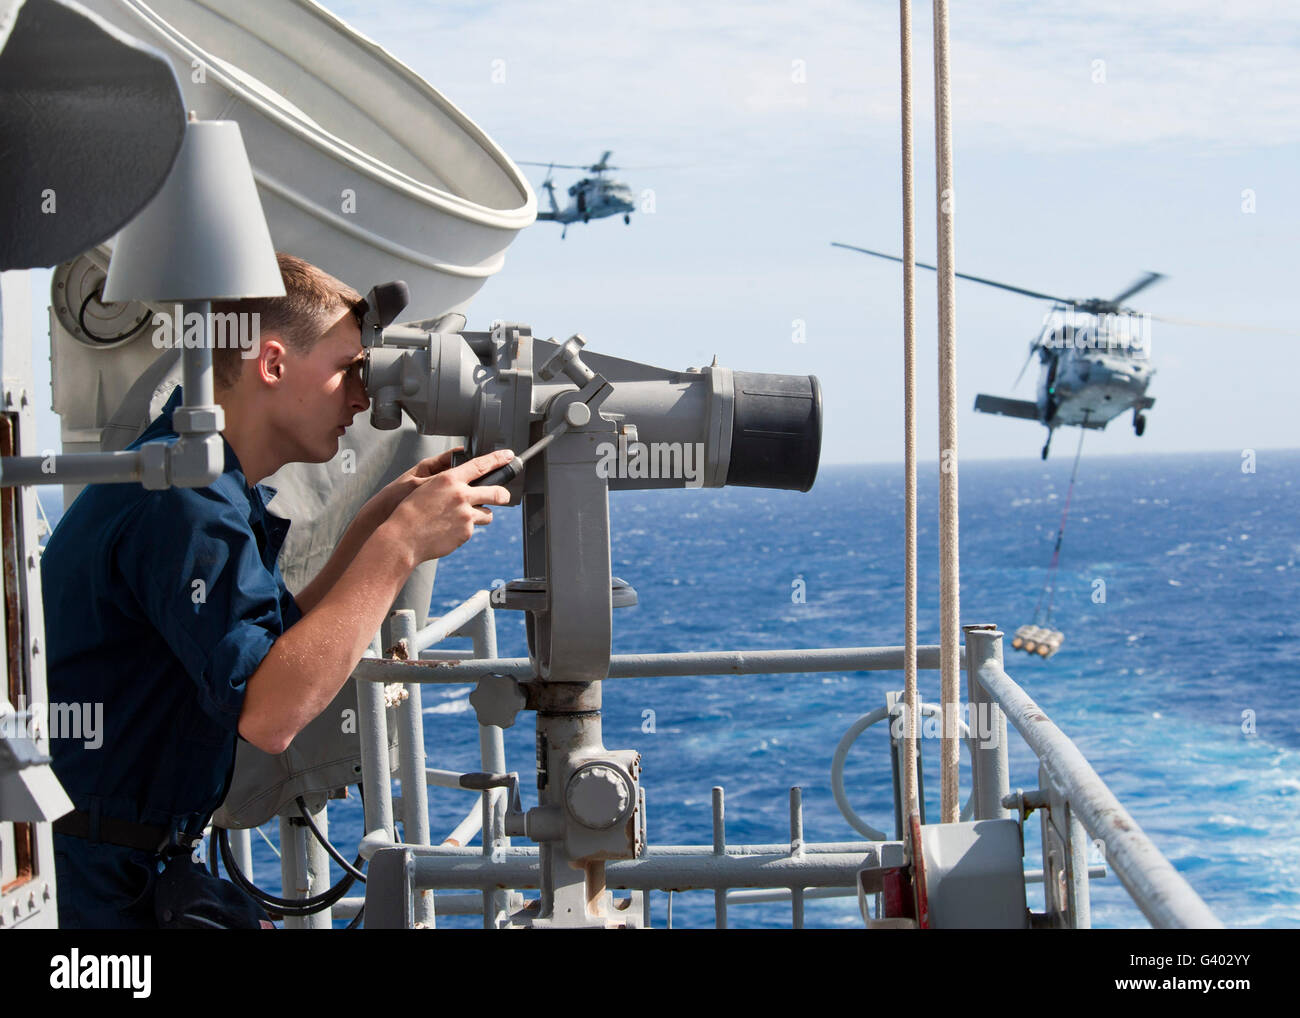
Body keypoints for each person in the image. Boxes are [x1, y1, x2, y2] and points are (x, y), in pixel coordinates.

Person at [41, 253, 512, 928]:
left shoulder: (193, 475)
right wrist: (400, 544)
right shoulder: (183, 500)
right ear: (271, 364)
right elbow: (271, 713)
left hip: (131, 861)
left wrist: (376, 523)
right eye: (348, 370)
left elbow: (272, 650)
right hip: (97, 889)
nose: (360, 395)